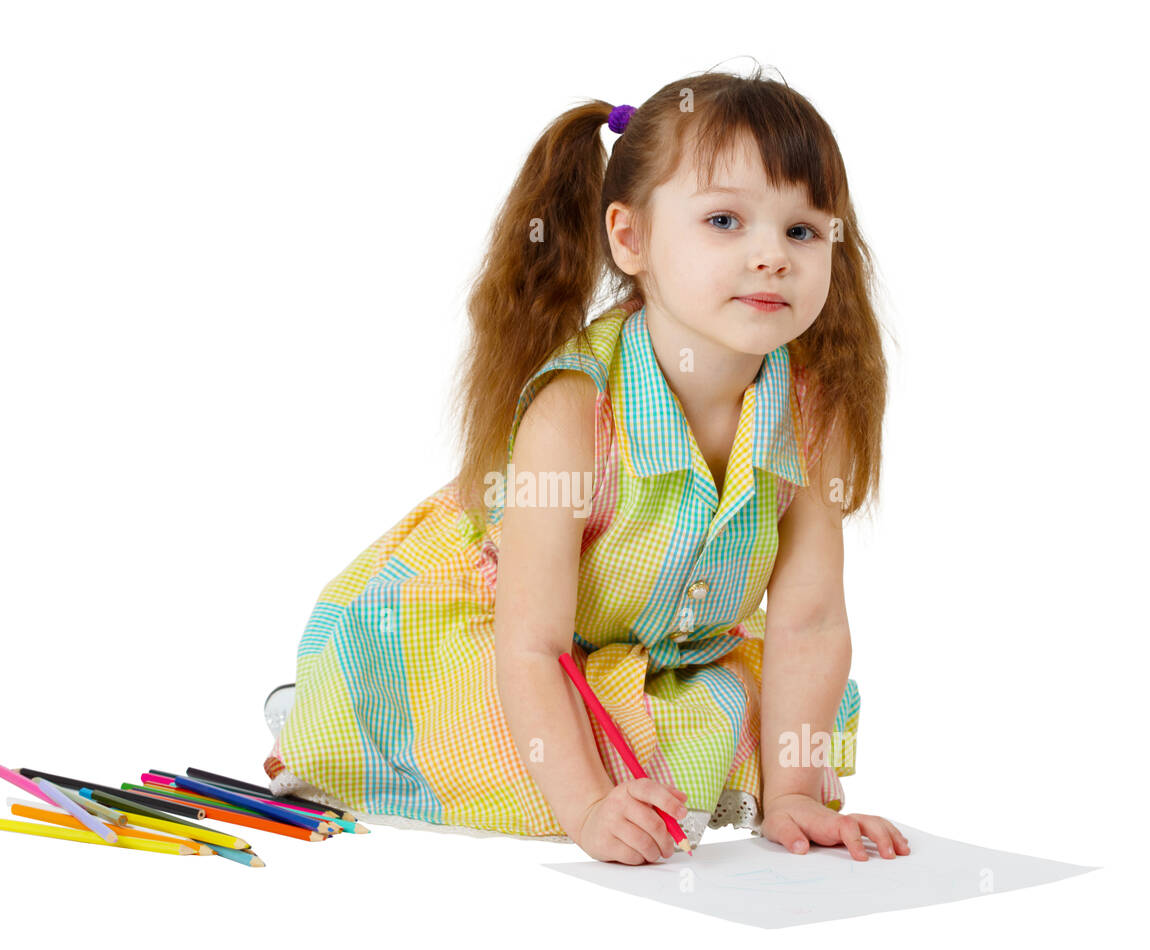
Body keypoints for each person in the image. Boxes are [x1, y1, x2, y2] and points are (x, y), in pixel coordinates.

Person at [263, 66, 910, 866]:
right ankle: (345, 716)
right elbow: (532, 644)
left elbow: (809, 624)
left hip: (657, 645)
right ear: (630, 239)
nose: (772, 256)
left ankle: (679, 762)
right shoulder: (574, 407)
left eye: (803, 231)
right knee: (518, 750)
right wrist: (588, 807)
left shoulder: (814, 413)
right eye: (725, 220)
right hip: (508, 633)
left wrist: (795, 796)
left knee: (721, 727)